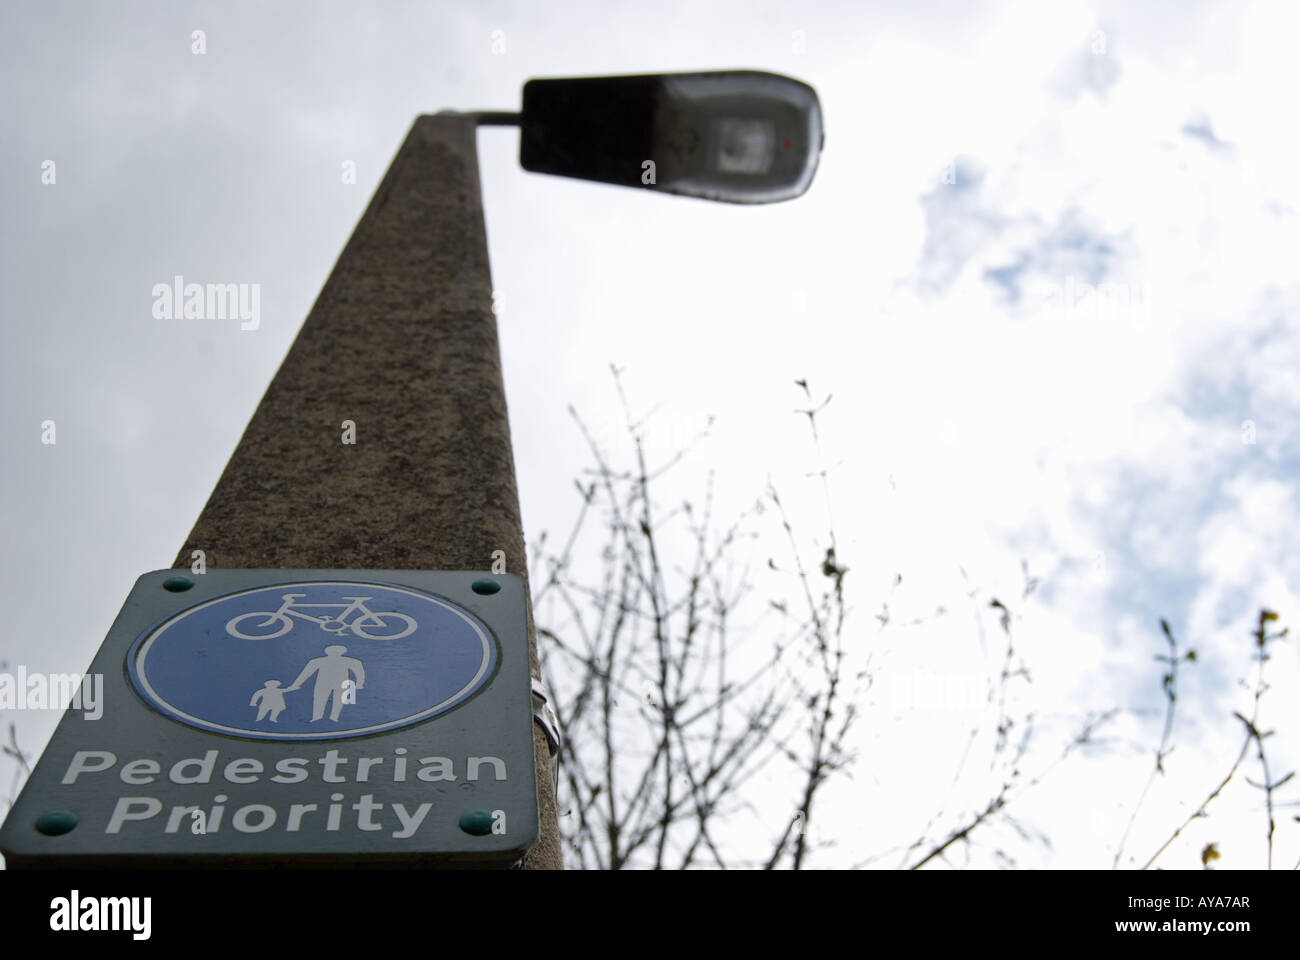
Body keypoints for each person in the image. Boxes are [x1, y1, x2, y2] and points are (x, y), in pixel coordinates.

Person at [284, 645, 366, 722]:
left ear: (342, 652)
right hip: (323, 683)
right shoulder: (317, 661)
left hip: (342, 683)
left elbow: (359, 672)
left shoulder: (351, 661)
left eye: (337, 651)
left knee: (339, 700)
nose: (335, 653)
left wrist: (359, 683)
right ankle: (317, 717)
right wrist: (296, 685)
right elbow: (305, 673)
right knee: (319, 700)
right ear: (327, 652)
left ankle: (334, 717)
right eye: (332, 651)